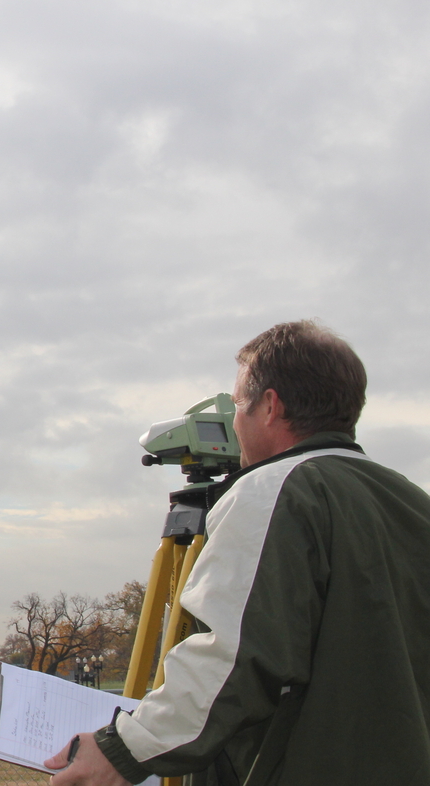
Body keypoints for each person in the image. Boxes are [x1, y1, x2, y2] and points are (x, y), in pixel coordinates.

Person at [47, 320, 430, 785]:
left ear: (271, 406)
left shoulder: (273, 490)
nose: (235, 423)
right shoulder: (412, 501)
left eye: (239, 406)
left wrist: (121, 751)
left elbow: (235, 657)